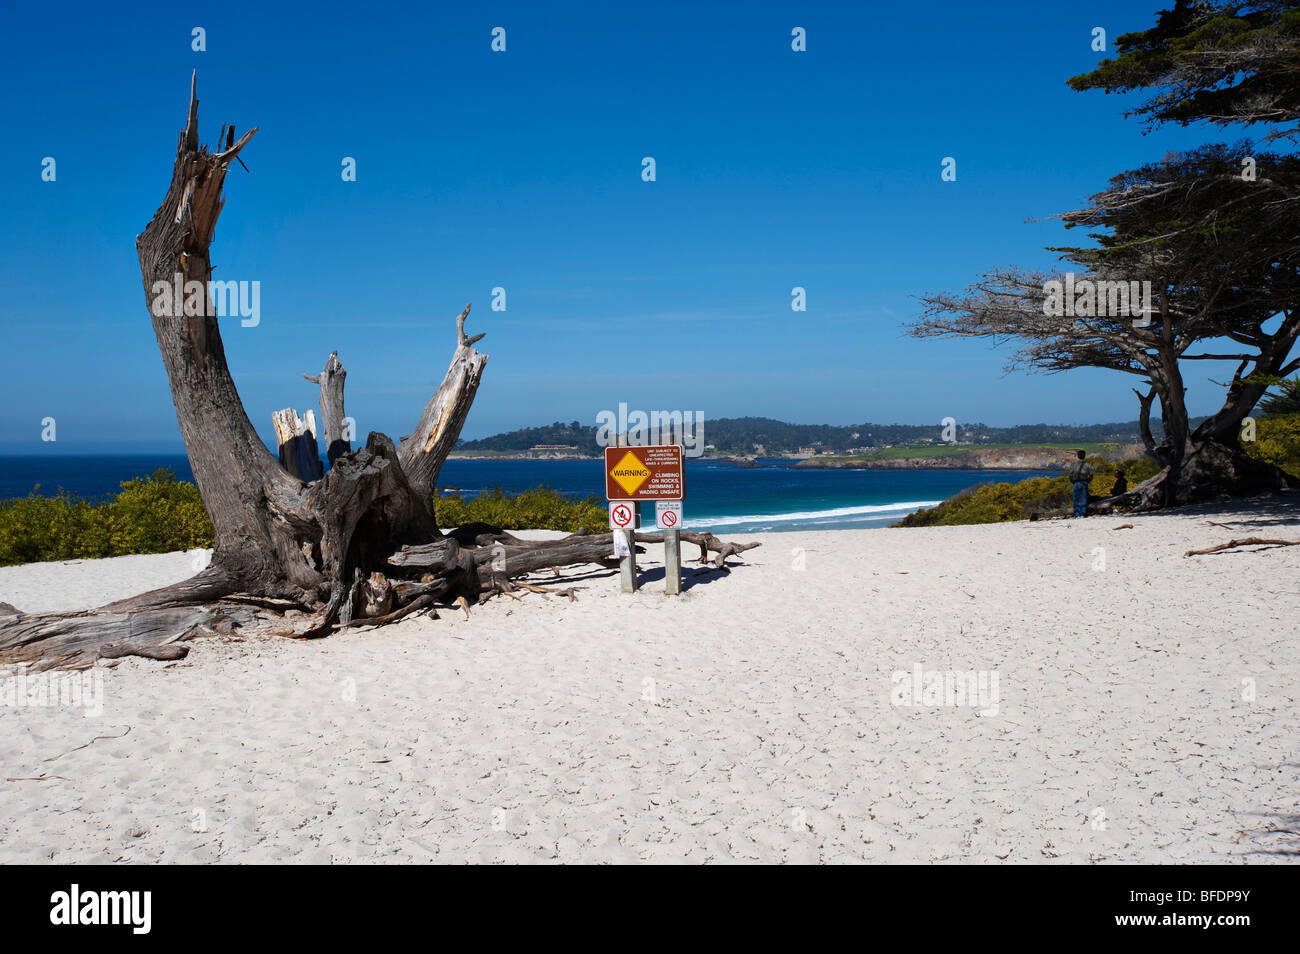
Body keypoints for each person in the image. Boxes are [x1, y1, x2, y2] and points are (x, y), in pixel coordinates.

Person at [1066, 450, 1093, 518]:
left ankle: (1077, 514)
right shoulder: (1087, 465)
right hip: (1084, 483)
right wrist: (1088, 481)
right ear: (1084, 456)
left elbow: (1070, 475)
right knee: (1083, 498)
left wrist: (1073, 482)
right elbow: (1091, 475)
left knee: (1076, 499)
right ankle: (1082, 514)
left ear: (1078, 456)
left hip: (1076, 483)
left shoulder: (1074, 465)